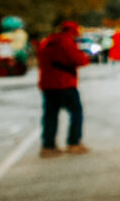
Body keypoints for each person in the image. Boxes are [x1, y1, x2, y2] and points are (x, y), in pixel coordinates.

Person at [35, 19, 87, 154]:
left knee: (50, 115)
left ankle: (48, 146)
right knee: (76, 112)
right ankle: (73, 143)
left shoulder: (46, 42)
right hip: (65, 83)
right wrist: (85, 57)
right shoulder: (66, 41)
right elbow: (78, 59)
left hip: (47, 84)